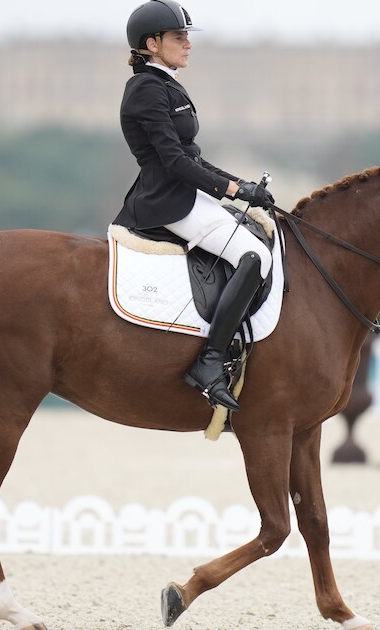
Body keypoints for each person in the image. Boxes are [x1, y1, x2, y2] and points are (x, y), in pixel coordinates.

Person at [114, 0, 274, 411]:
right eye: (179, 37)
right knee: (255, 256)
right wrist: (233, 190)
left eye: (187, 37)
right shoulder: (147, 89)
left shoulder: (166, 83)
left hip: (185, 192)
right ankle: (210, 361)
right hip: (168, 200)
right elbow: (174, 161)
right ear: (152, 44)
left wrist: (243, 186)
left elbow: (192, 156)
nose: (188, 44)